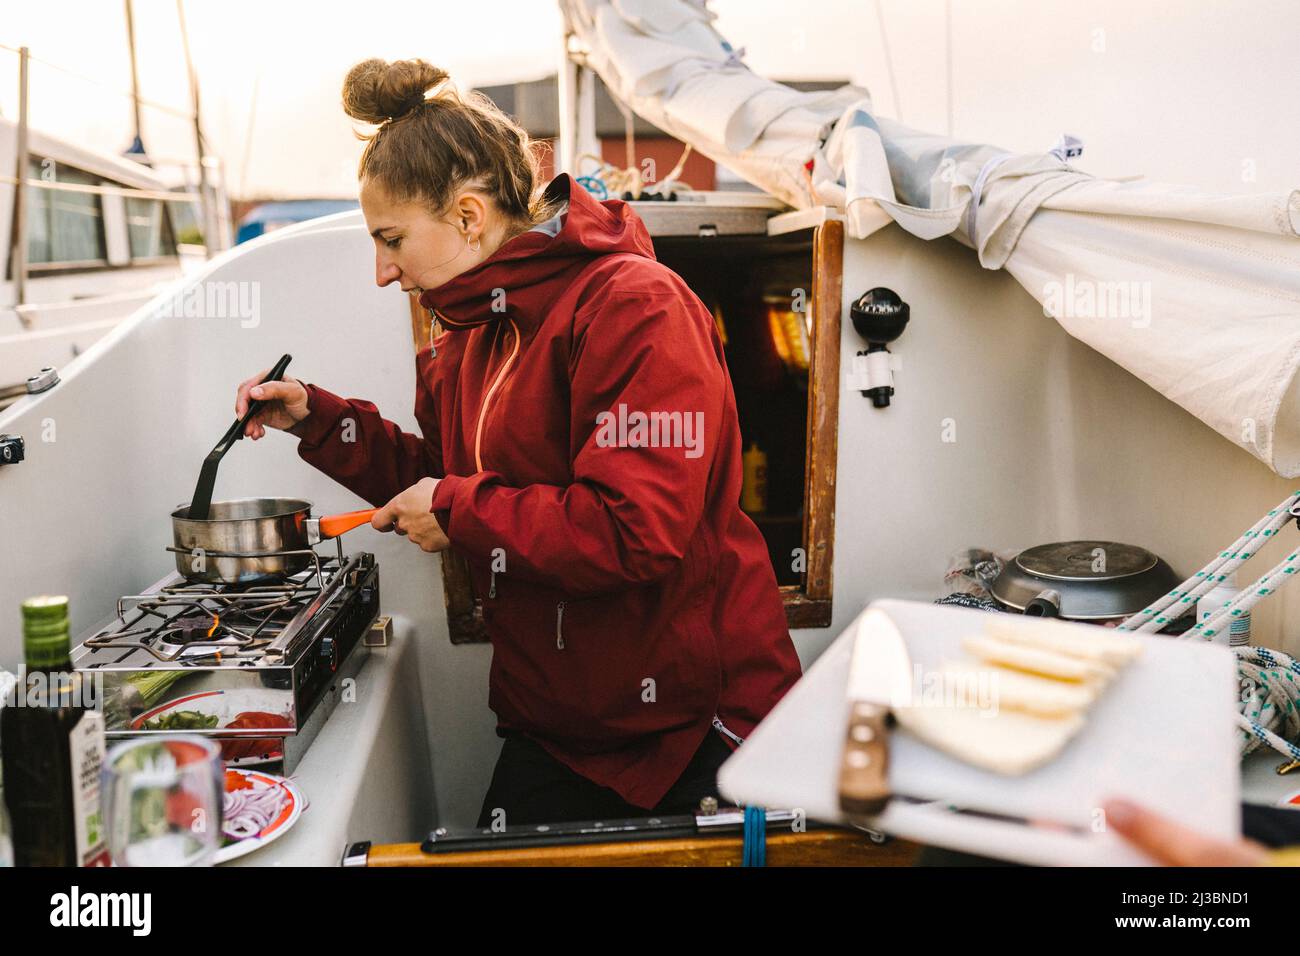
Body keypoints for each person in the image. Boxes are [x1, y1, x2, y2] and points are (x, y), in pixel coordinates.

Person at [233, 58, 803, 828]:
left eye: (391, 238)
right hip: (561, 722)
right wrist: (323, 421)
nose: (381, 270)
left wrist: (457, 509)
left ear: (469, 216)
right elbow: (446, 482)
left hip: (689, 730)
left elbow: (635, 531)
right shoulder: (466, 333)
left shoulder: (635, 308)